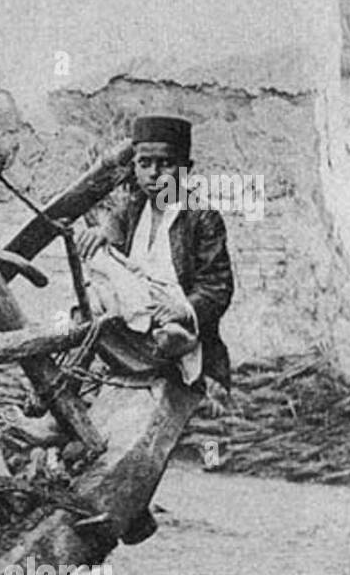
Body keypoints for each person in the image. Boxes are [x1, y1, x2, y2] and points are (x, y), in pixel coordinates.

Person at [76, 115, 234, 392]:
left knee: (171, 332)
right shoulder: (134, 209)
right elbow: (113, 226)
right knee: (86, 309)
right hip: (134, 315)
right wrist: (101, 233)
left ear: (186, 169)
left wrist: (184, 309)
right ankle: (65, 397)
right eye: (144, 164)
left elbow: (218, 286)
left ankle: (182, 344)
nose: (153, 174)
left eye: (166, 164)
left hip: (172, 316)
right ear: (134, 167)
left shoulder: (202, 218)